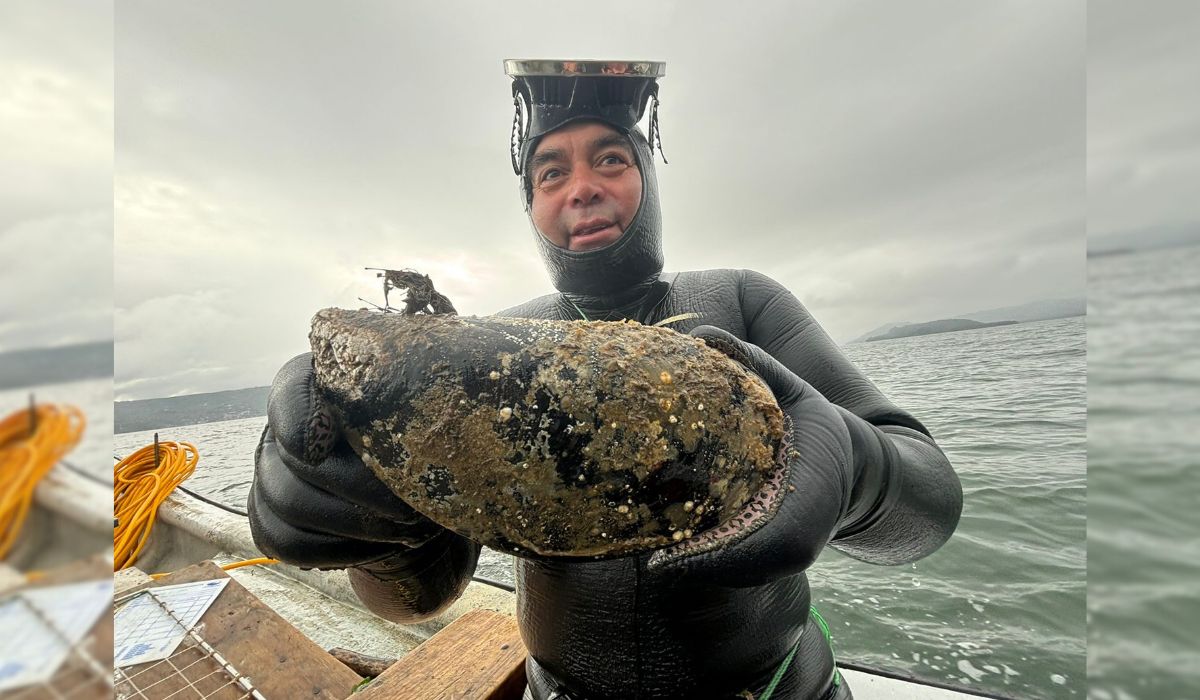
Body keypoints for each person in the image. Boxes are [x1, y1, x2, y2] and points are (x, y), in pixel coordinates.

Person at [248, 60, 963, 699]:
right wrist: (372, 534)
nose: (583, 188)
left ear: (648, 178)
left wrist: (858, 469)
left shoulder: (741, 301)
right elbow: (419, 599)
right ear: (530, 205)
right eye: (550, 173)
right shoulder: (484, 359)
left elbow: (927, 510)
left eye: (611, 159)